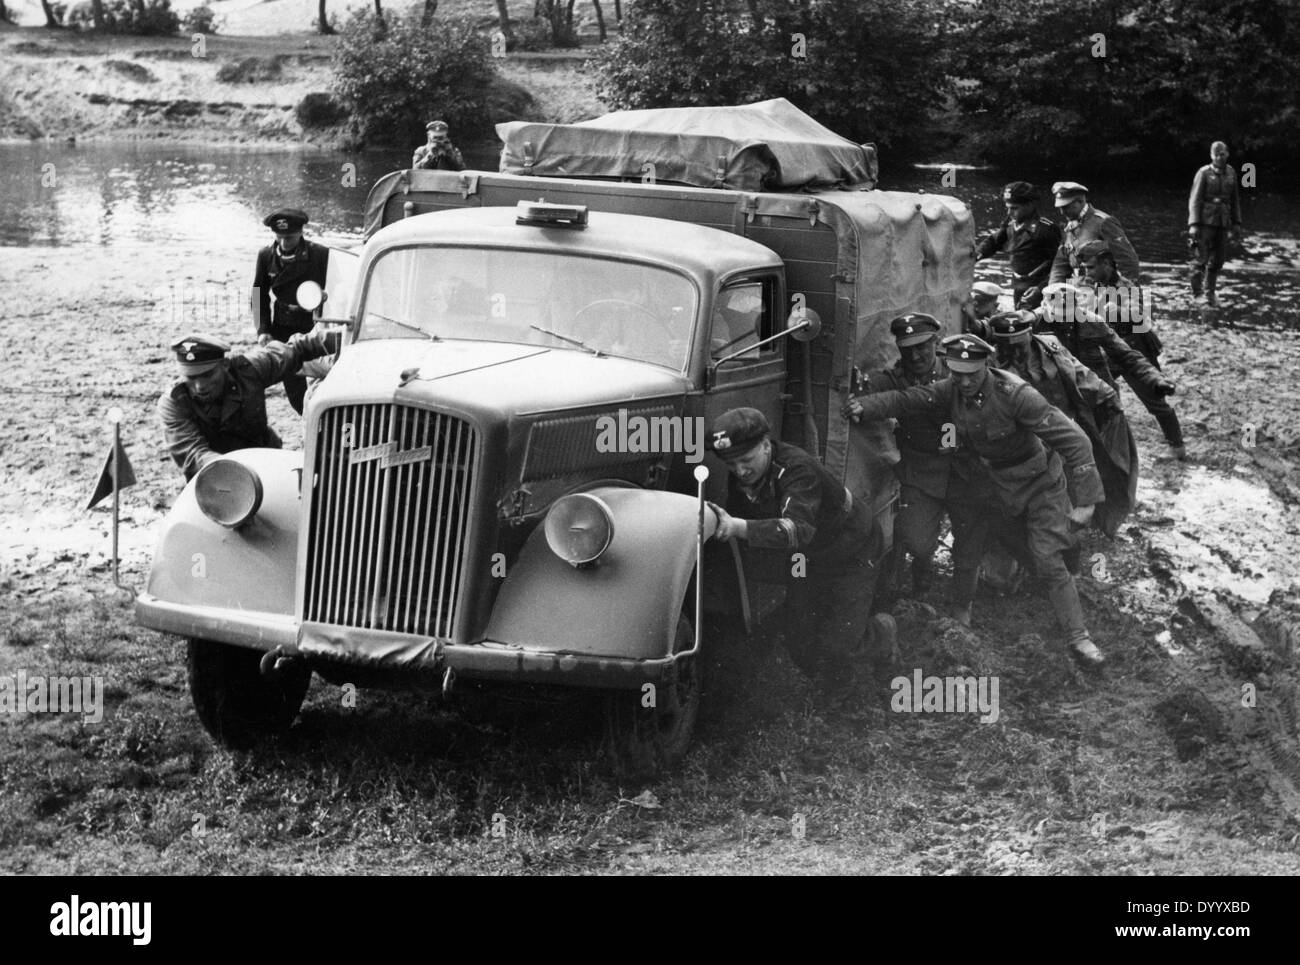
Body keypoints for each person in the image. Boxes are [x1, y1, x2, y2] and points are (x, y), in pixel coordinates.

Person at [845, 334, 1107, 667]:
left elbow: (1076, 442)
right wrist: (865, 406)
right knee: (995, 544)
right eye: (958, 373)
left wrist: (1086, 502)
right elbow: (909, 398)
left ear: (987, 364)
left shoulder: (1017, 395)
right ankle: (1019, 586)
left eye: (972, 373)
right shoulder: (950, 388)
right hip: (999, 485)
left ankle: (1079, 638)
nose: (965, 382)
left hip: (1041, 484)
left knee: (1046, 556)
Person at [706, 407, 891, 691]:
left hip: (853, 547)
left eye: (745, 460)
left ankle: (883, 634)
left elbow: (798, 528)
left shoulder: (797, 469)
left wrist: (737, 527)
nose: (739, 471)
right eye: (731, 465)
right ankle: (834, 686)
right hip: (807, 557)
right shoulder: (745, 472)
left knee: (839, 644)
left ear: (766, 446)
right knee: (800, 641)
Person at [865, 313, 994, 597]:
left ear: (936, 342)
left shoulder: (958, 371)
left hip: (967, 469)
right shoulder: (894, 379)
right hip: (922, 470)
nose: (915, 355)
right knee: (918, 542)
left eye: (922, 346)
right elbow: (869, 392)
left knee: (970, 541)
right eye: (907, 348)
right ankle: (922, 574)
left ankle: (963, 604)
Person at [988, 310, 1138, 537]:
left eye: (1020, 345)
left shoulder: (1051, 348)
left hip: (1063, 430)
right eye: (1007, 346)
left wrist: (1105, 395)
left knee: (1079, 479)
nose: (1015, 352)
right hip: (1024, 441)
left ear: (1030, 334)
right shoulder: (989, 363)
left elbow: (1079, 374)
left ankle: (1076, 530)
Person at [159, 330, 338, 481]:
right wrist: (238, 471)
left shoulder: (248, 371)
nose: (199, 386)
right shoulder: (174, 402)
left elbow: (296, 349)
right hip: (216, 478)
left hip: (266, 462)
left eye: (207, 375)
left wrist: (344, 337)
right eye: (190, 378)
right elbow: (194, 456)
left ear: (225, 365)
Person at [1076, 239, 1186, 459]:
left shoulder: (1126, 287)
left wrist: (1116, 309)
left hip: (1135, 350)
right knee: (1092, 393)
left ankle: (1177, 447)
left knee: (1155, 400)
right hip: (1111, 350)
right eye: (1085, 268)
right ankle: (1099, 440)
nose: (1086, 272)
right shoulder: (1092, 284)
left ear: (1107, 264)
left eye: (1091, 267)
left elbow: (1140, 315)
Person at [251, 207, 329, 415]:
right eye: (279, 237)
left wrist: (323, 300)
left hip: (313, 326)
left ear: (302, 232)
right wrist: (263, 330)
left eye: (290, 238)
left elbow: (338, 289)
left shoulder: (320, 254)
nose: (284, 244)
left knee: (320, 383)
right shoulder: (266, 255)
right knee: (294, 390)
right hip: (283, 327)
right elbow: (259, 294)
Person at [976, 181, 1061, 308]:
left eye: (1014, 208)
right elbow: (994, 241)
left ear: (1030, 205)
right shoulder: (1011, 225)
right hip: (1019, 285)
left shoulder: (1046, 230)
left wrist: (1041, 288)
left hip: (1039, 289)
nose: (1009, 213)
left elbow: (1060, 265)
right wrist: (977, 254)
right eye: (1007, 208)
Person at [1047, 181, 1140, 285]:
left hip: (1106, 290)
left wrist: (1128, 293)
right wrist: (1053, 289)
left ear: (1080, 201)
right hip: (1080, 288)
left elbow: (1128, 261)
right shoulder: (1069, 227)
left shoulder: (1103, 222)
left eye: (1066, 207)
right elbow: (1061, 264)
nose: (1062, 212)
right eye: (1060, 207)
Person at [1187, 141, 1244, 306]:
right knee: (1200, 258)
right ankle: (1198, 294)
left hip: (1222, 222)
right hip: (1205, 222)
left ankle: (1210, 292)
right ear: (1211, 156)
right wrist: (1194, 224)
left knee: (1218, 259)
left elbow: (1235, 200)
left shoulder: (1231, 173)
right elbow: (1195, 200)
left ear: (1227, 154)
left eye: (1223, 154)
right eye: (1216, 154)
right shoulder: (1203, 173)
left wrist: (1237, 222)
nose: (1220, 157)